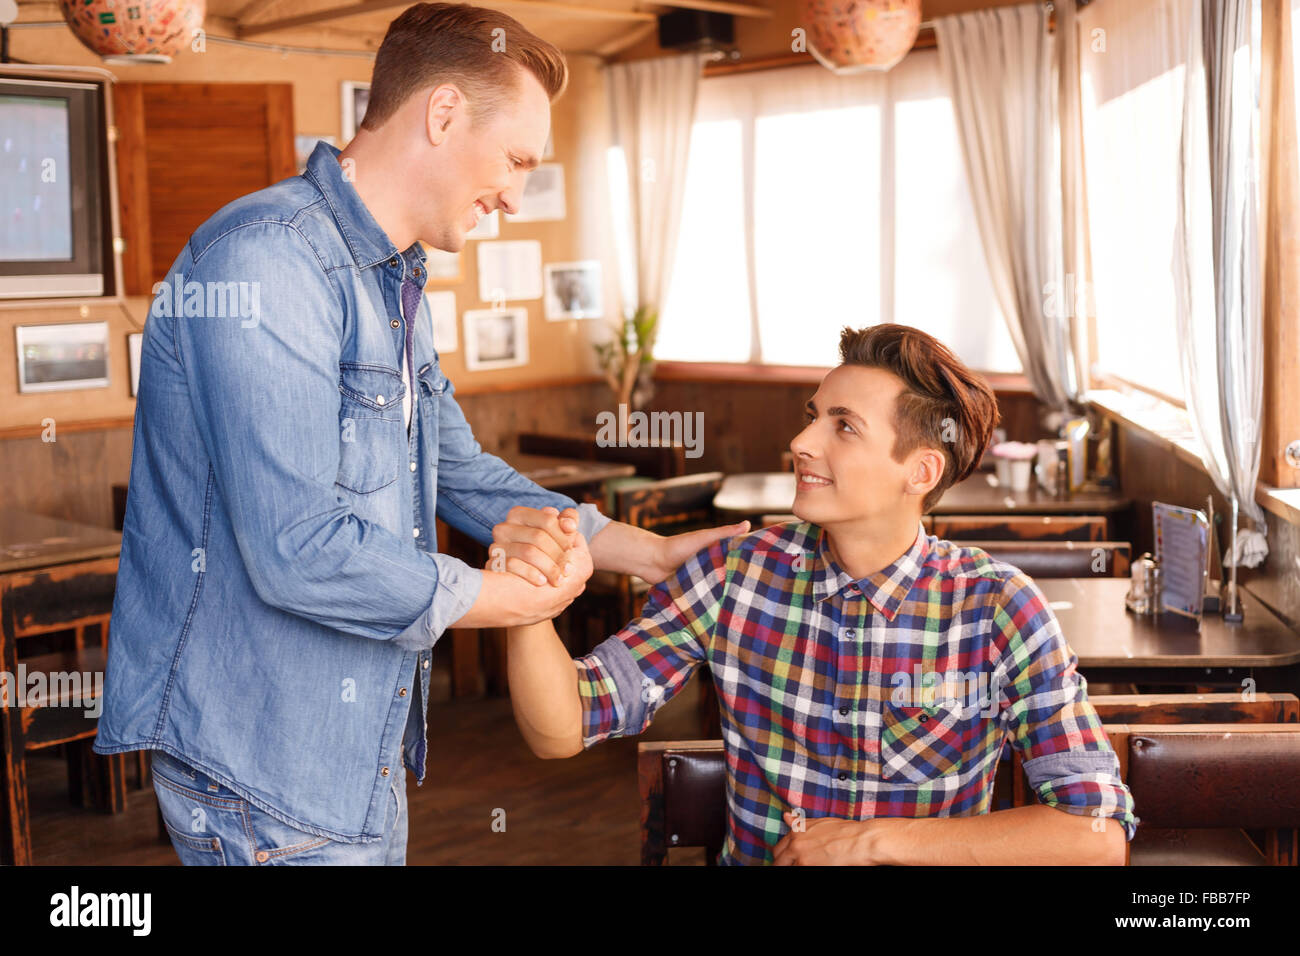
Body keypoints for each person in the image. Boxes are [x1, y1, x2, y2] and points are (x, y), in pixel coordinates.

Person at [93, 2, 742, 866]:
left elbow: (460, 471)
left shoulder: (392, 276)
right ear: (441, 114)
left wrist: (648, 555)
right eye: (514, 159)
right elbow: (299, 548)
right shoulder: (266, 262)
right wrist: (511, 598)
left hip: (356, 751)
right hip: (264, 767)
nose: (516, 194)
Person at [504, 324, 1138, 865]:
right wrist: (526, 602)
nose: (802, 443)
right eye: (813, 418)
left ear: (919, 471)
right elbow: (563, 727)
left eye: (844, 427)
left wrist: (872, 843)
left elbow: (1096, 833)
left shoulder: (999, 607)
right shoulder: (734, 574)